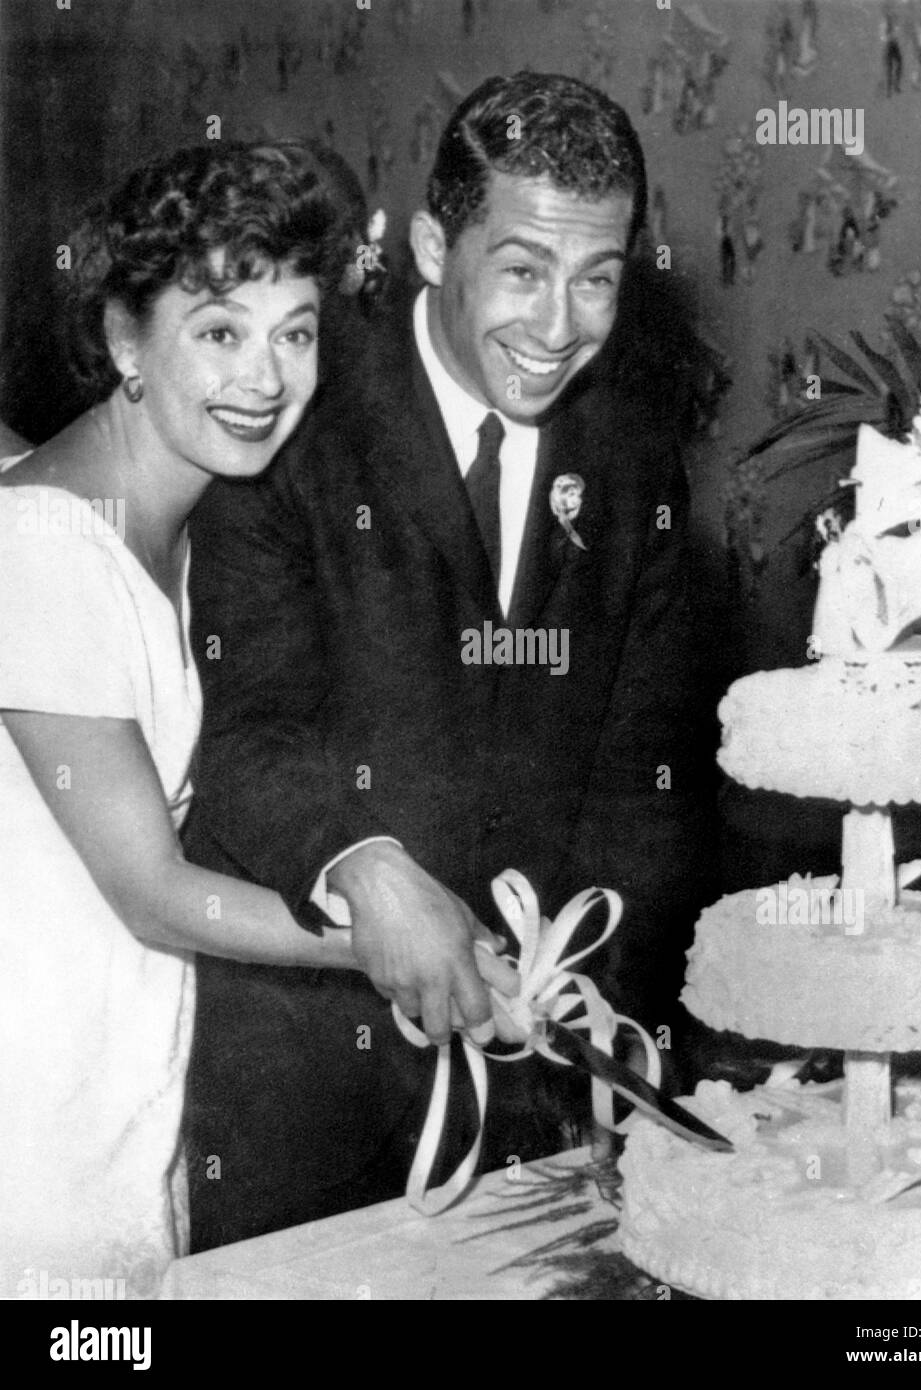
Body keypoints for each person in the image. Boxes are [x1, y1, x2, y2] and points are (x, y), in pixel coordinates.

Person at [183, 71, 716, 1249]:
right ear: (433, 245)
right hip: (303, 1081)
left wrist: (586, 975)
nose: (558, 326)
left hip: (537, 1084)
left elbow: (644, 777)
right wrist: (365, 863)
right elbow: (244, 725)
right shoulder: (286, 412)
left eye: (598, 279)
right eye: (522, 270)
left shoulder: (633, 454)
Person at [0, 140, 409, 1299]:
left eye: (295, 332)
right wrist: (388, 939)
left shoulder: (191, 526)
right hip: (29, 1115)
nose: (265, 377)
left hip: (127, 1073)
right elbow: (153, 890)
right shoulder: (38, 547)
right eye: (219, 331)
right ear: (126, 340)